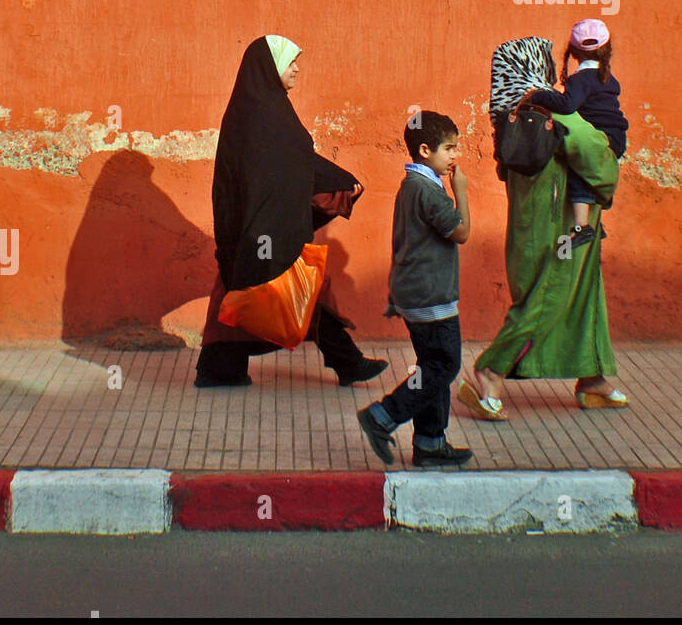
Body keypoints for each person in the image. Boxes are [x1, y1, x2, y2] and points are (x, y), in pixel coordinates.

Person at [195, 35, 388, 388]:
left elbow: (295, 164)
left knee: (248, 289)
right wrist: (334, 184)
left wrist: (337, 181)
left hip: (261, 224)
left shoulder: (263, 108)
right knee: (294, 289)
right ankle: (348, 363)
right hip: (264, 226)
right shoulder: (261, 114)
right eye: (290, 62)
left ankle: (219, 367)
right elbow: (284, 166)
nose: (297, 68)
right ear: (270, 67)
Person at [456, 36, 628, 422]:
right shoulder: (549, 107)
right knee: (549, 297)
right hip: (561, 227)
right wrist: (607, 175)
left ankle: (592, 377)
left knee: (582, 297)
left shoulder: (510, 113)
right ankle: (491, 369)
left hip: (531, 227)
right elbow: (596, 153)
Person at [357, 111, 475, 468]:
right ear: (425, 149)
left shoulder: (410, 186)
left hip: (414, 293)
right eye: (449, 148)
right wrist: (461, 192)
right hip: (432, 298)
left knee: (431, 366)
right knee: (445, 365)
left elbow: (403, 241)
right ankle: (383, 415)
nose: (455, 156)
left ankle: (430, 442)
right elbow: (462, 232)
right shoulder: (429, 191)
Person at [519, 17, 627, 250]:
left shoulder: (581, 79)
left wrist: (538, 95)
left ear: (574, 52)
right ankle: (596, 219)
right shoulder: (608, 79)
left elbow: (568, 105)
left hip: (600, 136)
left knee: (578, 169)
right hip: (617, 137)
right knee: (591, 171)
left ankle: (581, 226)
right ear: (607, 49)